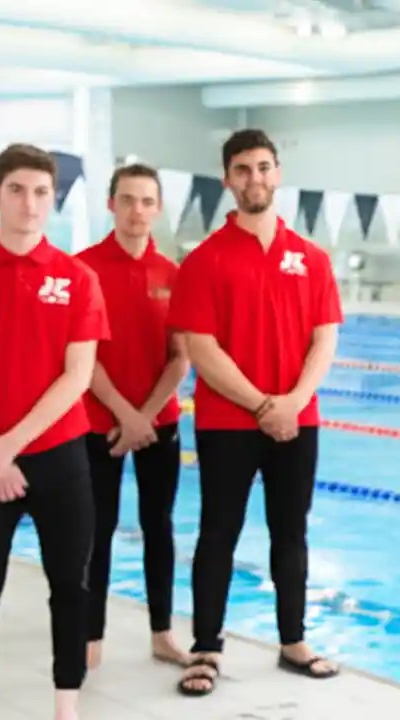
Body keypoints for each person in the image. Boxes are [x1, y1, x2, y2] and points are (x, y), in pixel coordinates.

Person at [167, 129, 343, 696]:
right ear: (227, 180)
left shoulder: (311, 258)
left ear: (278, 172)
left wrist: (292, 403)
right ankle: (205, 648)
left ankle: (293, 641)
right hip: (226, 424)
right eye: (242, 170)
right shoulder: (204, 260)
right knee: (218, 533)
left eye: (263, 167)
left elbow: (325, 339)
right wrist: (265, 404)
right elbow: (201, 347)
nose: (255, 179)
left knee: (291, 534)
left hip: (298, 419)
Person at [0, 143, 109, 719]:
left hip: (58, 458)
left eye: (42, 191)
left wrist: (5, 449)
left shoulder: (77, 278)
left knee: (71, 587)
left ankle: (66, 705)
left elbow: (77, 376)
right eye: (16, 189)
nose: (30, 202)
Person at [75, 163, 189, 671]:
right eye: (127, 199)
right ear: (110, 205)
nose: (137, 210)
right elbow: (81, 358)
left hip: (157, 422)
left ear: (158, 208)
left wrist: (143, 417)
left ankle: (162, 633)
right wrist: (125, 414)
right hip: (98, 423)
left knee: (158, 527)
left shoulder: (173, 275)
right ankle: (89, 636)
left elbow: (180, 356)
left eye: (146, 201)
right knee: (95, 530)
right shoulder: (82, 270)